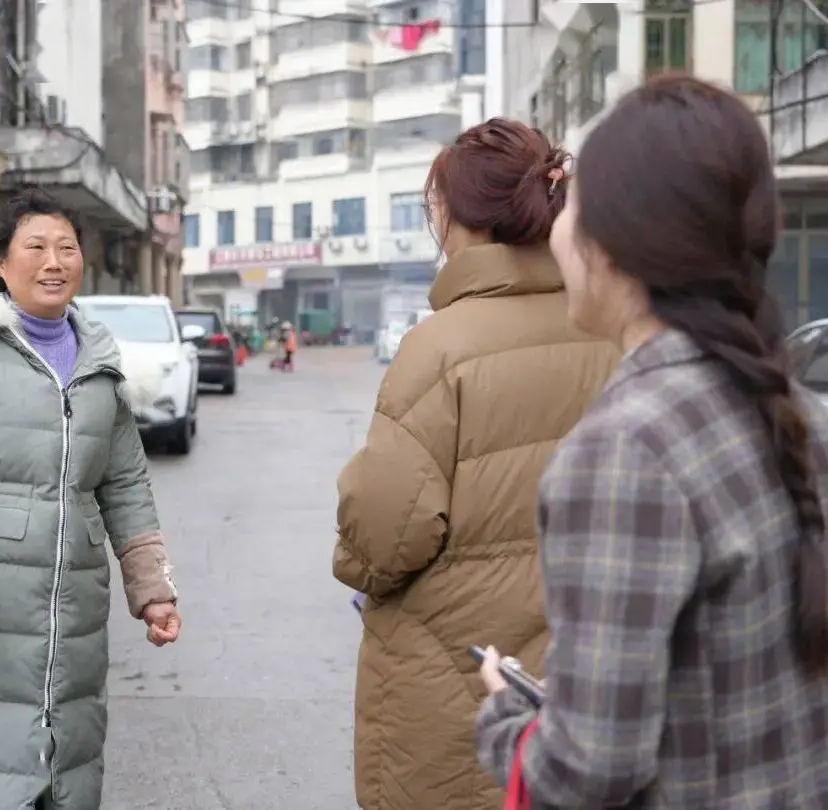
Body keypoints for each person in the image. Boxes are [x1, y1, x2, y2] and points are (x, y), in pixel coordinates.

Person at [476, 74, 828, 807]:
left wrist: (506, 718)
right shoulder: (795, 407)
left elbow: (586, 772)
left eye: (571, 204)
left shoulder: (628, 450)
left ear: (616, 241)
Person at [333, 119, 618, 810]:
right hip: (587, 675)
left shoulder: (438, 348)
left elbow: (383, 540)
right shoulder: (615, 331)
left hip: (451, 678)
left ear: (458, 216)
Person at [0, 187, 182, 810]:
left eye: (67, 248)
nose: (54, 261)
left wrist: (153, 591)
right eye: (35, 247)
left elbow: (125, 483)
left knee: (67, 770)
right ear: (1, 262)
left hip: (73, 611)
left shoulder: (99, 360)